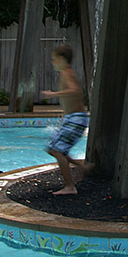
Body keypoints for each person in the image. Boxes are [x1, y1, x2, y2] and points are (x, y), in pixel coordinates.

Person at [40, 44, 91, 195]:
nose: (52, 62)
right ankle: (81, 167)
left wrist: (53, 94)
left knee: (56, 150)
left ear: (61, 59)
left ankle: (70, 187)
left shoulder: (66, 74)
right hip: (73, 118)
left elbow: (75, 91)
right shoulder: (67, 73)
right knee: (53, 149)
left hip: (76, 118)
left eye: (54, 59)